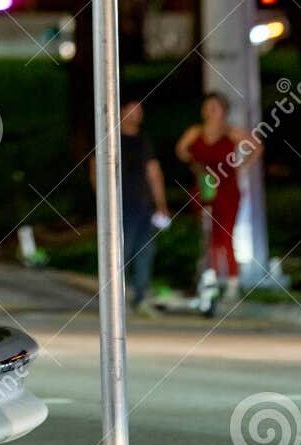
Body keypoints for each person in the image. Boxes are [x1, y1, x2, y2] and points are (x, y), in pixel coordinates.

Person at [175, 92, 261, 309]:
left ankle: (232, 285)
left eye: (215, 106)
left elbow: (257, 147)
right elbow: (181, 150)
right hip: (203, 189)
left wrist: (242, 166)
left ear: (223, 110)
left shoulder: (231, 132)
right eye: (208, 106)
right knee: (208, 238)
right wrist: (193, 163)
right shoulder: (196, 132)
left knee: (226, 237)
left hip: (227, 190)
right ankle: (209, 282)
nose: (211, 110)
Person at [92, 99, 170, 312]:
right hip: (119, 205)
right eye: (131, 111)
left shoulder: (144, 141)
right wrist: (103, 202)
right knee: (120, 251)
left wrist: (160, 203)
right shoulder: (109, 139)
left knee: (145, 250)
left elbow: (153, 172)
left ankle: (141, 295)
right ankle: (115, 298)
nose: (136, 115)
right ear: (120, 112)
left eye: (139, 111)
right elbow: (95, 168)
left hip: (143, 204)